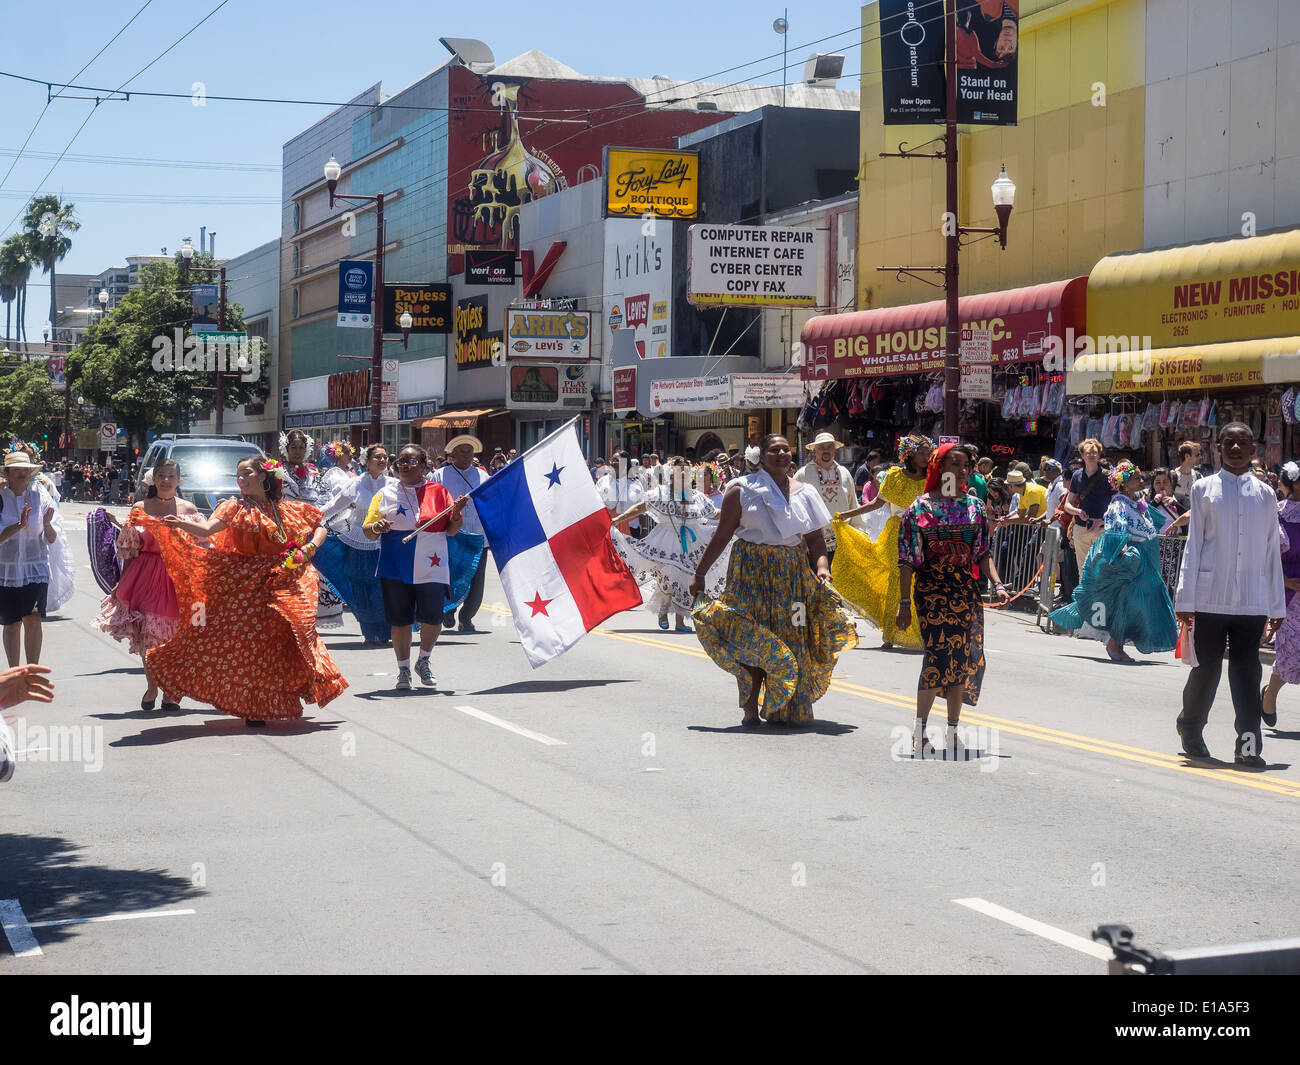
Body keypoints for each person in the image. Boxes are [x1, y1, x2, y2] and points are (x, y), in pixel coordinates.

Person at [144, 457, 349, 726]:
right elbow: (207, 528)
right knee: (255, 645)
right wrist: (178, 523)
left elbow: (320, 525)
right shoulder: (234, 507)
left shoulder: (286, 508)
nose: (241, 478)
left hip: (288, 579)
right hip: (246, 585)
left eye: (247, 473)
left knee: (296, 632)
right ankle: (255, 705)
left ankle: (291, 688)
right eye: (238, 474)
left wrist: (310, 548)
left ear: (264, 476)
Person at [689, 434, 856, 726]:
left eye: (785, 449)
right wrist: (700, 573)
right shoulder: (741, 490)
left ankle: (788, 706)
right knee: (755, 638)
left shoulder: (805, 492)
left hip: (791, 577)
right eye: (774, 450)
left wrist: (822, 568)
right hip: (749, 573)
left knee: (794, 636)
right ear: (761, 457)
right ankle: (751, 705)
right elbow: (722, 536)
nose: (781, 454)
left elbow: (816, 541)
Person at [1175, 423, 1286, 768]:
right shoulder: (1204, 489)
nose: (1235, 448)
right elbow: (1193, 545)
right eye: (1229, 442)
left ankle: (1248, 744)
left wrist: (1276, 603)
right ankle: (1190, 727)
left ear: (1254, 449)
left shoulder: (1267, 495)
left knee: (1247, 671)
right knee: (1206, 667)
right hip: (1211, 597)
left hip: (1252, 599)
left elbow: (1271, 551)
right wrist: (1185, 599)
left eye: (1242, 443)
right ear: (1218, 448)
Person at [896, 443, 1009, 757]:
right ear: (939, 467)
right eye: (955, 464)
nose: (962, 471)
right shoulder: (919, 508)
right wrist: (904, 604)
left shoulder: (975, 506)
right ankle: (920, 730)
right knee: (936, 657)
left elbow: (983, 553)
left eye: (966, 466)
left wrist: (998, 584)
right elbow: (906, 560)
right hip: (931, 590)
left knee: (960, 659)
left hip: (964, 590)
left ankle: (953, 731)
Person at [362, 445, 469, 691]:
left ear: (423, 466)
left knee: (433, 616)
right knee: (399, 621)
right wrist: (377, 527)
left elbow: (452, 531)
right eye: (401, 461)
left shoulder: (439, 492)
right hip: (395, 566)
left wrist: (456, 515)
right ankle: (403, 670)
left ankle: (423, 660)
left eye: (410, 461)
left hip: (432, 564)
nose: (404, 465)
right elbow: (368, 532)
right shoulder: (385, 493)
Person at [1049, 462, 1178, 664]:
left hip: (1144, 562)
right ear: (1125, 484)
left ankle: (1118, 642)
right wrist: (1122, 550)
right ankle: (1115, 643)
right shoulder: (1119, 504)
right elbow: (1117, 527)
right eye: (1136, 478)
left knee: (1140, 603)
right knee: (1127, 604)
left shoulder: (1134, 502)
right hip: (1133, 563)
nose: (1142, 480)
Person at [91, 459, 192, 710]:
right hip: (144, 575)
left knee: (173, 637)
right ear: (153, 479)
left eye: (171, 475)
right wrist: (122, 582)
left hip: (176, 577)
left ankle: (170, 691)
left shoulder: (189, 509)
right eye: (161, 475)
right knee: (147, 633)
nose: (166, 480)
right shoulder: (140, 507)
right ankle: (152, 685)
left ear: (179, 480)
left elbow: (198, 548)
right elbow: (130, 549)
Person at [830, 434, 933, 649]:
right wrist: (847, 514)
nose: (926, 456)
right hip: (898, 534)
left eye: (928, 452)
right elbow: (877, 503)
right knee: (898, 582)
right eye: (921, 452)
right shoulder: (895, 476)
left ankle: (921, 632)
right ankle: (891, 632)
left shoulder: (933, 477)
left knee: (921, 582)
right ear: (909, 453)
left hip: (925, 534)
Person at [611, 461, 729, 632]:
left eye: (685, 470)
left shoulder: (697, 496)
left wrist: (736, 514)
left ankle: (680, 621)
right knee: (671, 575)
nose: (682, 473)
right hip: (666, 541)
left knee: (686, 579)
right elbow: (641, 507)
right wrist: (618, 519)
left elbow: (714, 513)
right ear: (670, 474)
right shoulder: (661, 493)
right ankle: (663, 611)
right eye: (678, 470)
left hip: (693, 543)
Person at [318, 444, 394, 645]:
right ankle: (370, 633)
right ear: (366, 462)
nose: (382, 460)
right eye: (377, 457)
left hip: (386, 544)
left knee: (384, 588)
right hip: (359, 543)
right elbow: (332, 507)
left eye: (384, 457)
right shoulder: (355, 484)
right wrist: (307, 518)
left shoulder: (395, 484)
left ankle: (385, 631)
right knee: (363, 589)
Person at [280, 429, 346, 631]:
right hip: (286, 531)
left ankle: (309, 621)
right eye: (293, 448)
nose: (297, 452)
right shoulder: (276, 472)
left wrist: (316, 517)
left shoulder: (315, 473)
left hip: (311, 531)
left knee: (316, 576)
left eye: (301, 447)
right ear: (286, 449)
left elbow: (324, 499)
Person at [0, 451, 61, 667]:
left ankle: (32, 671)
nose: (22, 473)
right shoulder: (1, 498)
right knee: (12, 623)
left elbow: (52, 539)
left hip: (35, 568)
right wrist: (18, 526)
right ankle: (15, 672)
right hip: (6, 572)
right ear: (7, 472)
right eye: (16, 469)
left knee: (33, 619)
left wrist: (46, 524)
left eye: (25, 469)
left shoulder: (39, 496)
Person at [432, 433, 491, 634]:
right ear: (453, 454)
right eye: (463, 452)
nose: (467, 456)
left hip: (478, 536)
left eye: (470, 452)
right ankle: (449, 609)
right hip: (451, 534)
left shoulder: (483, 476)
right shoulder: (440, 475)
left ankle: (467, 617)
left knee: (477, 579)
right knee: (451, 576)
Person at [1260, 461, 1300, 727]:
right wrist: (1284, 579)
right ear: (1294, 485)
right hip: (1287, 593)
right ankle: (1270, 693)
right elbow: (1266, 554)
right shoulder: (1278, 514)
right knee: (1291, 651)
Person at [793, 431, 857, 565]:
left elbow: (853, 504)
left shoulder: (844, 473)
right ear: (814, 450)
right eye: (821, 447)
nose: (826, 451)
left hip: (843, 543)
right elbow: (793, 507)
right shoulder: (802, 475)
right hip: (811, 544)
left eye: (829, 447)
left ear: (835, 450)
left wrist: (858, 533)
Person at [1062, 438, 1114, 574]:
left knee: (1101, 571)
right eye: (1088, 452)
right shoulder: (1076, 476)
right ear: (1082, 455)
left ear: (1099, 454)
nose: (1091, 455)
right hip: (1081, 528)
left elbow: (1116, 505)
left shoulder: (1109, 476)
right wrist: (1077, 511)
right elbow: (1068, 504)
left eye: (1094, 452)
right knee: (1083, 571)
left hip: (1102, 529)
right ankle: (1085, 596)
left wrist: (1102, 520)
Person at [1172, 441, 1201, 510]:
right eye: (1197, 455)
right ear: (1187, 456)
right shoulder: (1172, 476)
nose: (1200, 457)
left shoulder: (1198, 476)